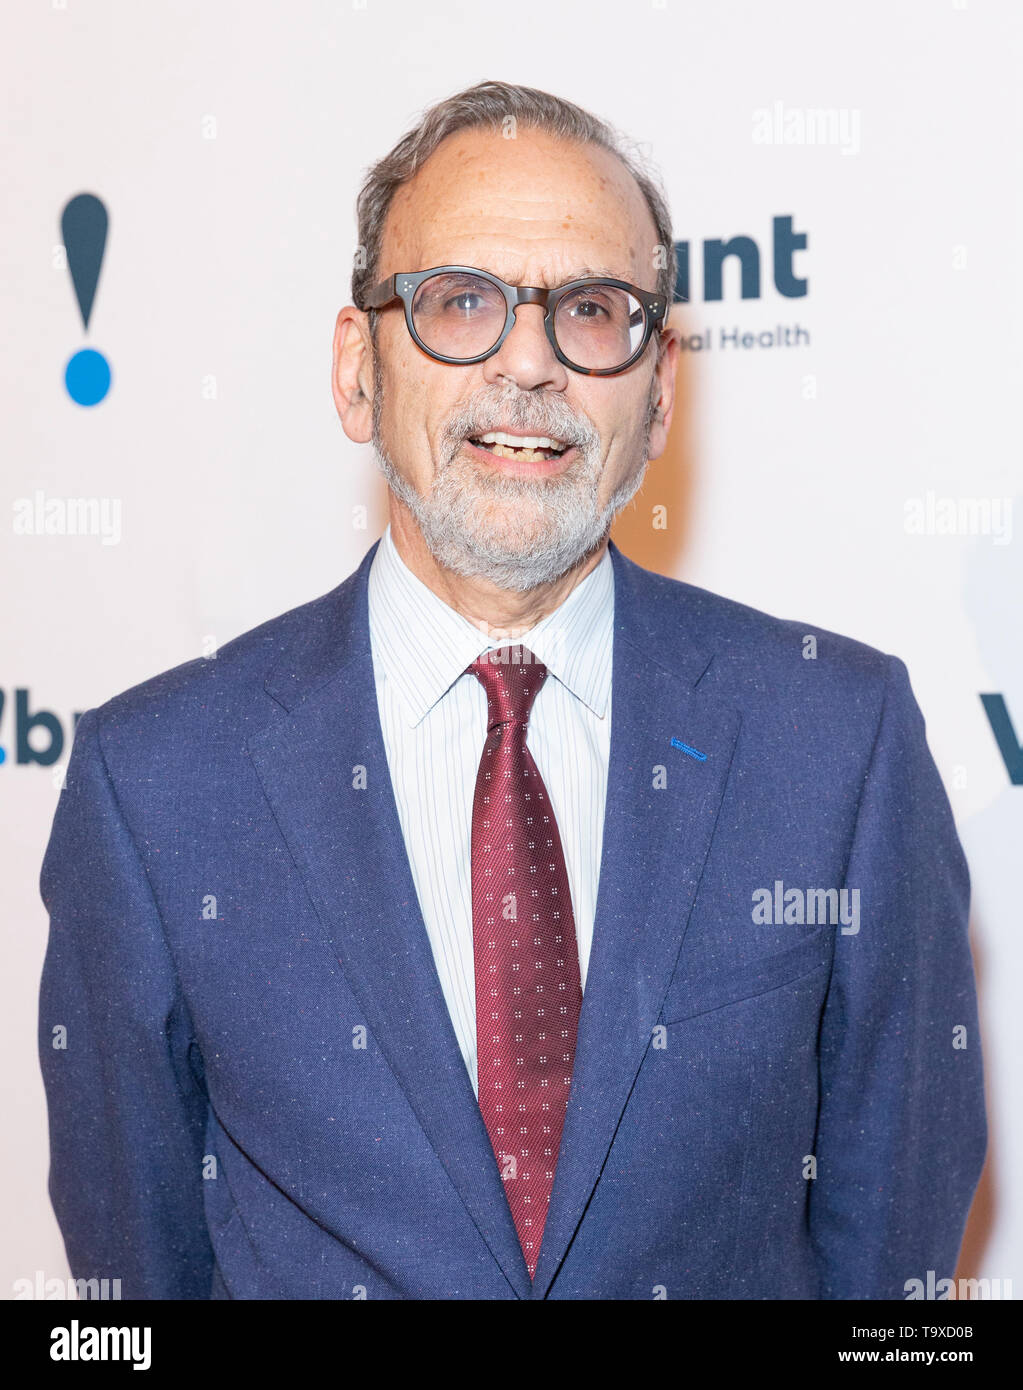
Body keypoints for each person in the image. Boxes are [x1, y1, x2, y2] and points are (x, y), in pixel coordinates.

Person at [38, 79, 986, 1300]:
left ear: (659, 395)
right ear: (357, 370)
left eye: (592, 311)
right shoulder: (155, 783)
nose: (529, 363)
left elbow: (893, 1268)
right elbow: (138, 1281)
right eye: (460, 303)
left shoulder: (838, 742)